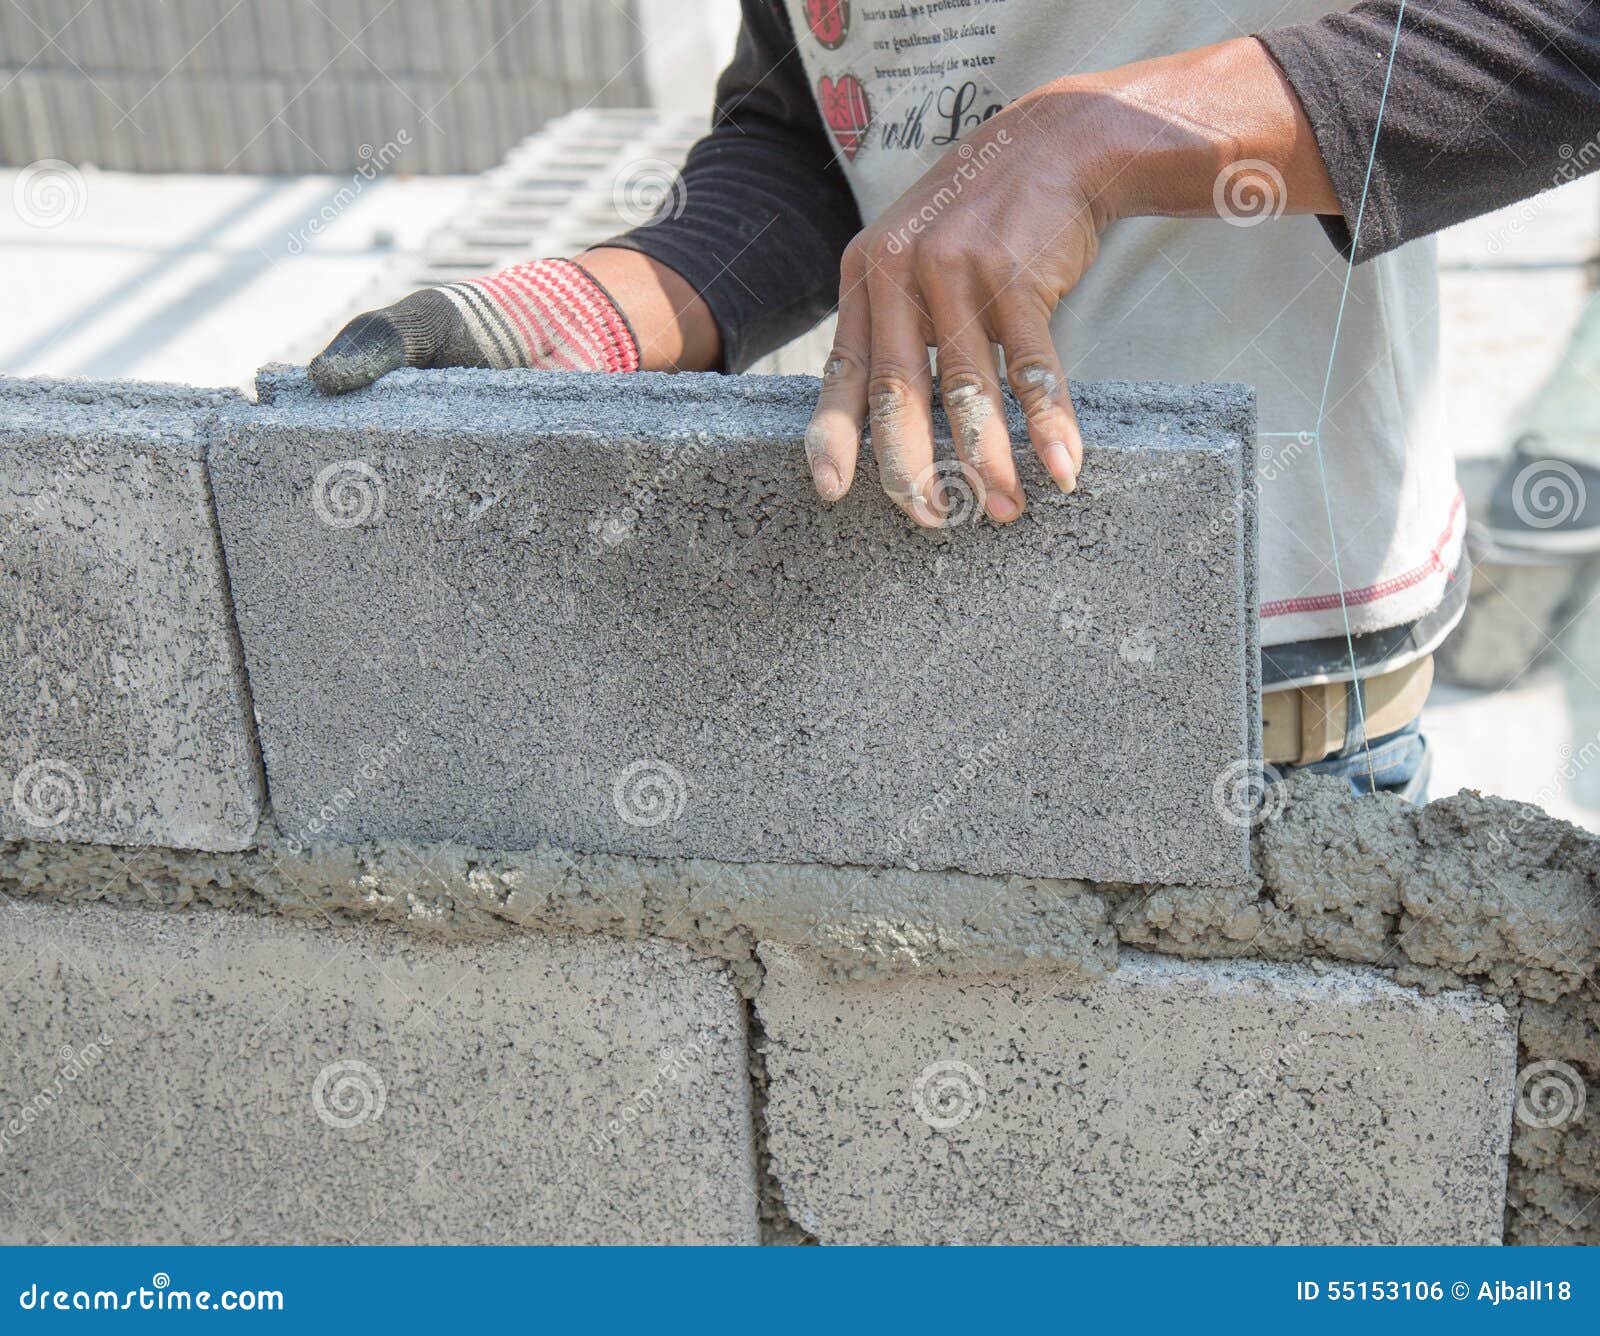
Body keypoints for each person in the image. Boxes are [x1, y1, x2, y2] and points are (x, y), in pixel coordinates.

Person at [310, 0, 1600, 801]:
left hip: (1269, 702)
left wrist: (1093, 141)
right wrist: (604, 308)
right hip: (912, 655)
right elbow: (814, 134)